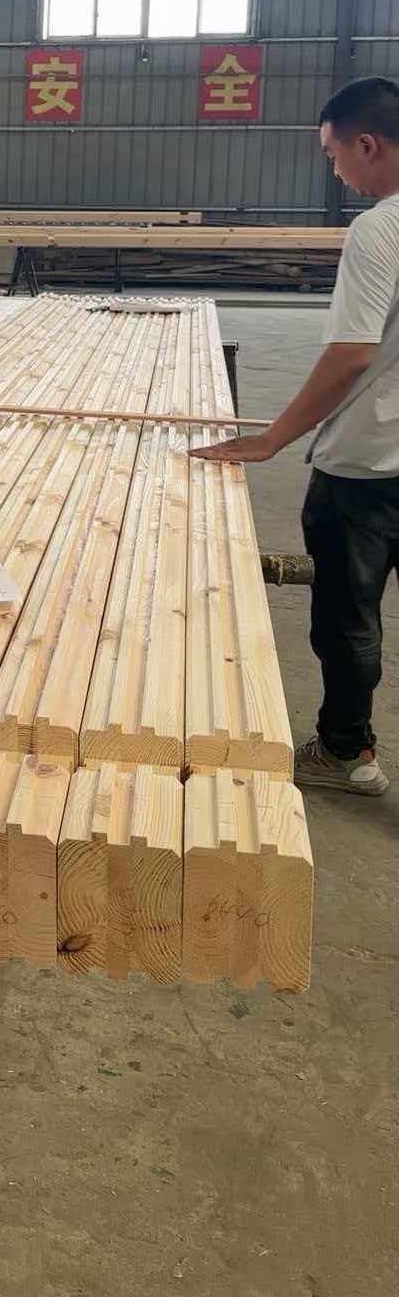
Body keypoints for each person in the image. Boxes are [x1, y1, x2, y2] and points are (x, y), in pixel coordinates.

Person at [192, 75, 399, 797]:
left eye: (333, 155)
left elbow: (351, 355)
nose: (335, 172)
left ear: (366, 144)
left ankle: (346, 754)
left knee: (349, 619)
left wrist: (271, 438)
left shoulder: (380, 228)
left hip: (368, 465)